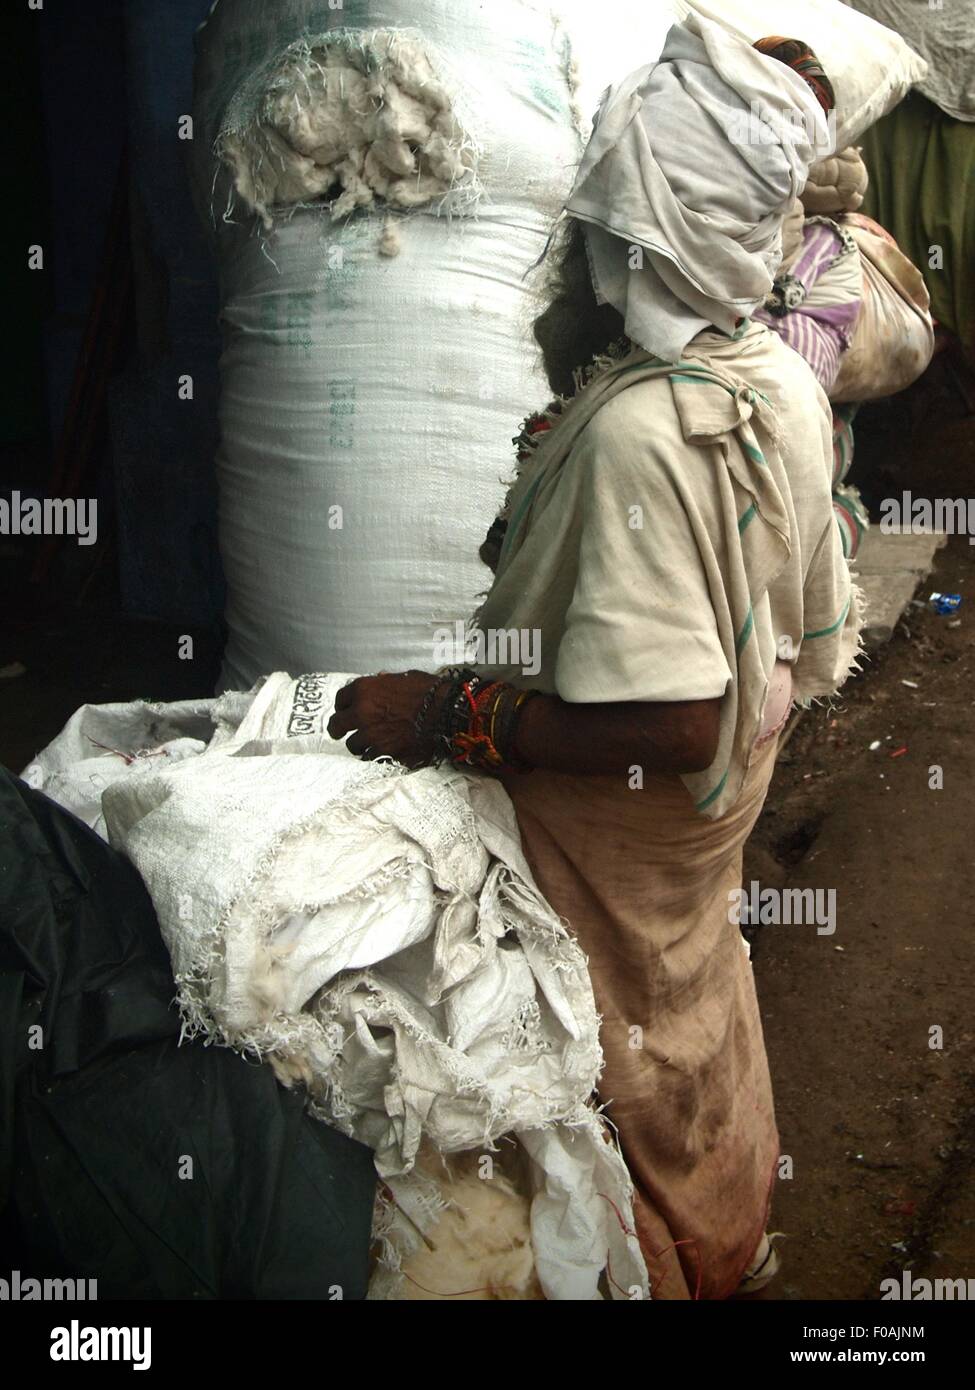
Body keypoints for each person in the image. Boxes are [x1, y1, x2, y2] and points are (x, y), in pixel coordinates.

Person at [327, 14, 862, 1299]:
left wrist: (446, 718)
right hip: (704, 816)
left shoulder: (649, 435)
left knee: (607, 1035)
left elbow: (674, 718)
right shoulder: (770, 377)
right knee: (684, 992)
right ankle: (729, 1231)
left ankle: (657, 1266)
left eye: (602, 191)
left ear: (637, 218)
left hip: (627, 811)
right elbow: (790, 635)